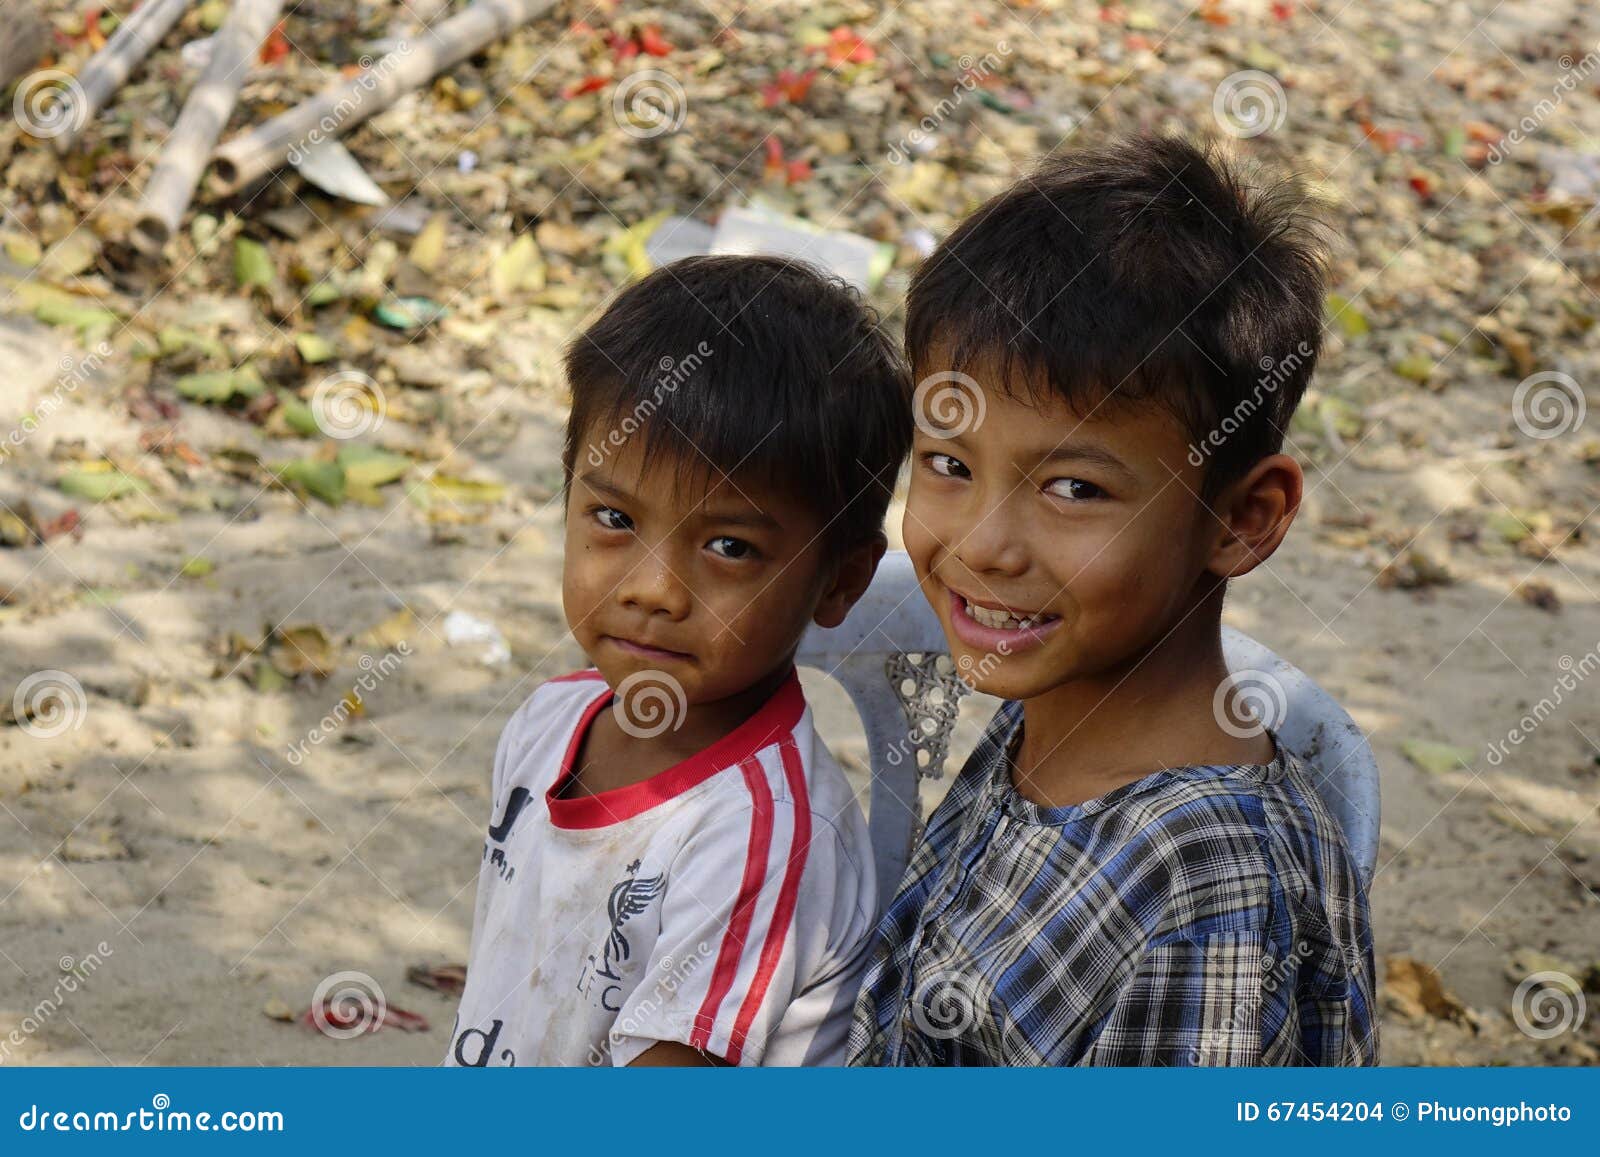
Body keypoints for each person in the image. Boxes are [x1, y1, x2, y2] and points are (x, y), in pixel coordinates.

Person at [848, 135, 1377, 1066]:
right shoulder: (1052, 711)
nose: (980, 543)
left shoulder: (1210, 894)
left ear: (1244, 518)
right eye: (947, 464)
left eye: (1075, 489)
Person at [446, 255, 911, 1067]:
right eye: (614, 517)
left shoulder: (761, 835)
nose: (654, 589)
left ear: (839, 580)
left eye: (729, 546)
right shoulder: (549, 723)